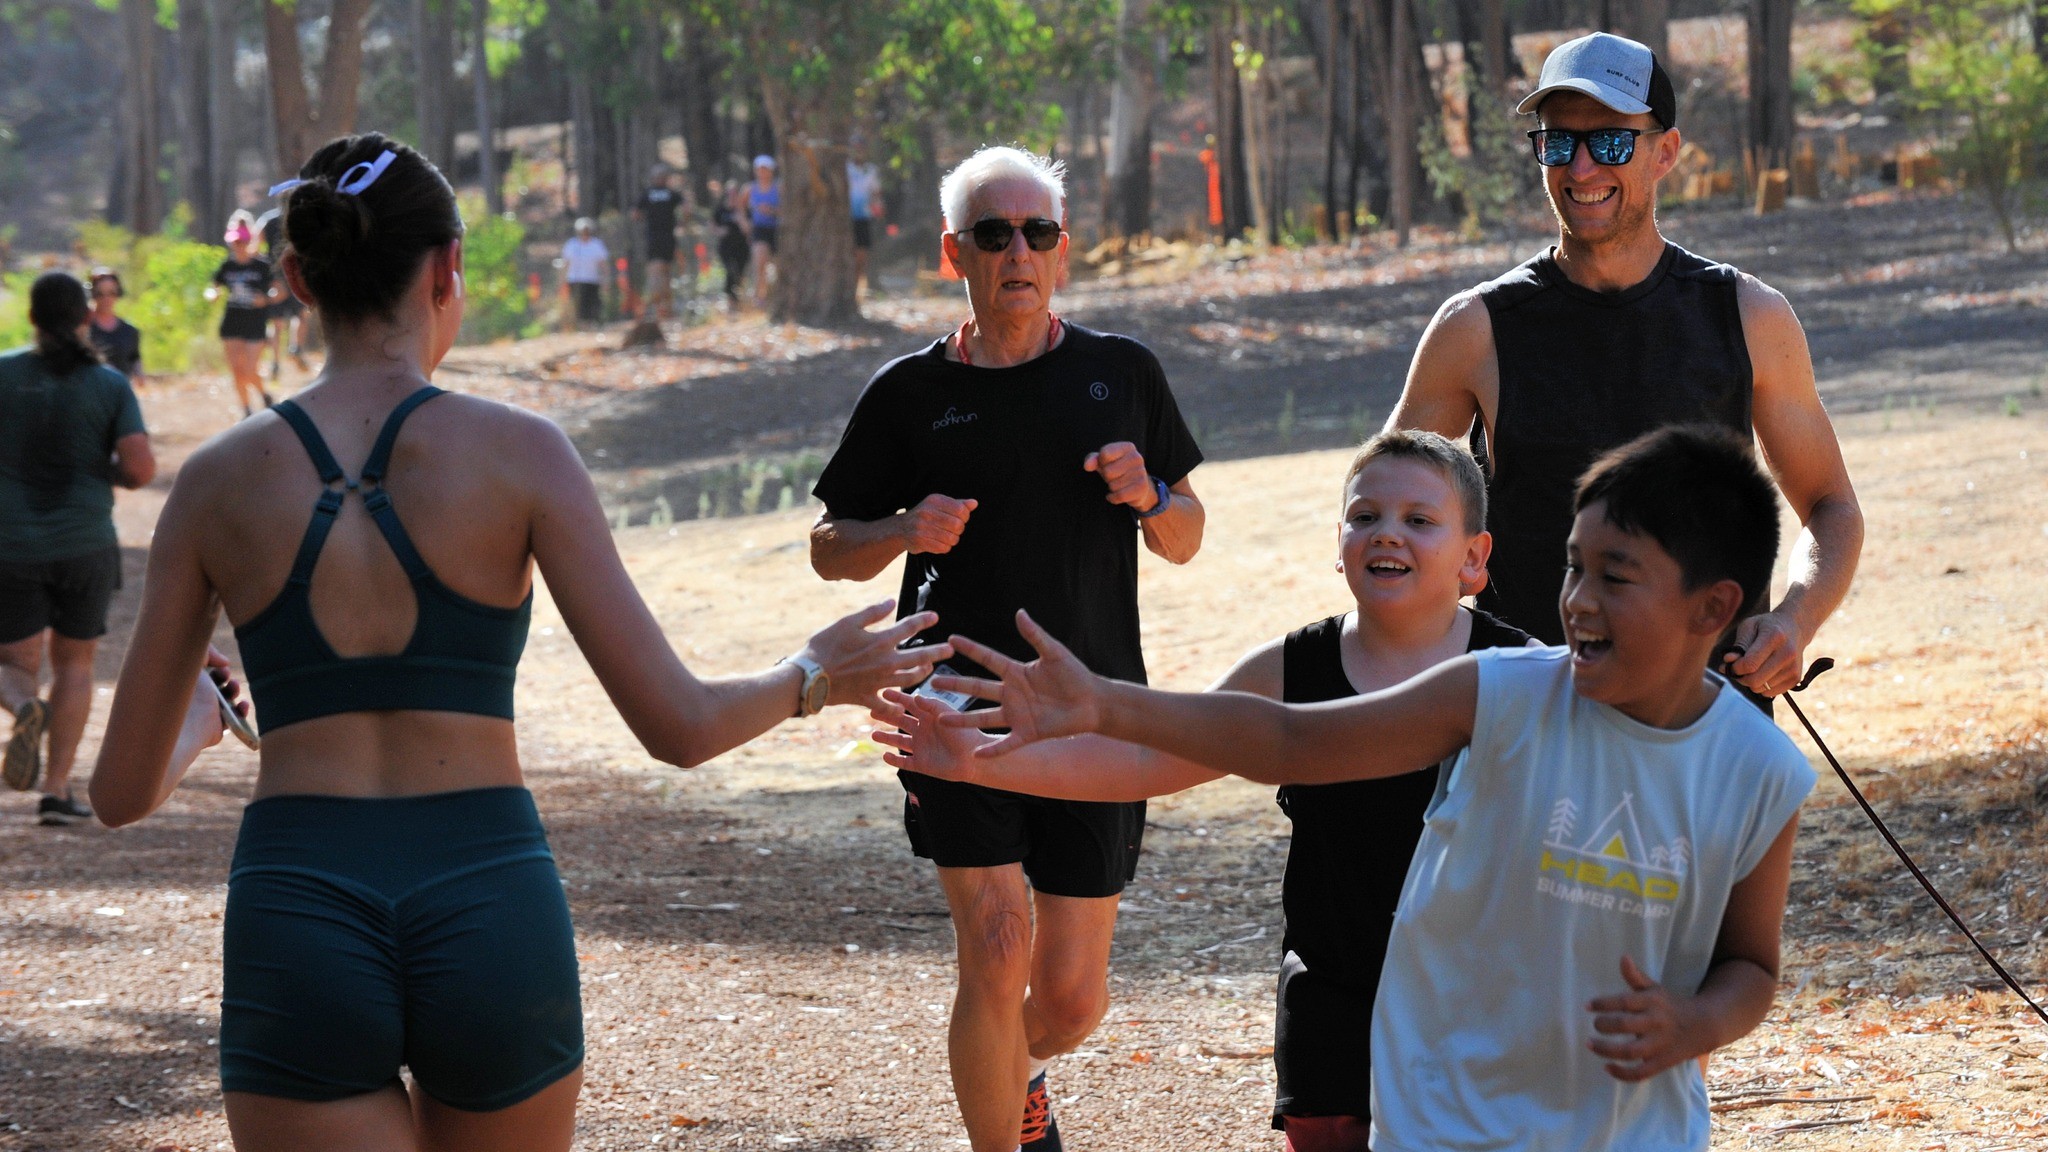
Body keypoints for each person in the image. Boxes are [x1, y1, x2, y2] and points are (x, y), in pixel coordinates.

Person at [86, 132, 949, 1152]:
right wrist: (811, 676)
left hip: (298, 907)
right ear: (448, 269)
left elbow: (117, 795)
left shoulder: (219, 480)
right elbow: (677, 726)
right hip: (487, 900)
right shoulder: (520, 455)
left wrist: (194, 724)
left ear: (293, 279)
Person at [928, 426, 1816, 1152]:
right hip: (1439, 1106)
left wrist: (1694, 1022)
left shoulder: (1760, 772)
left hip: (1631, 1131)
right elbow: (1281, 736)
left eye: (1613, 577)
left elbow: (1751, 966)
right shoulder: (1504, 691)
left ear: (1713, 608)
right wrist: (1095, 707)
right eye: (1574, 567)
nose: (1577, 599)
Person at [875, 431, 1532, 1152]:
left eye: (1420, 519)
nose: (1388, 534)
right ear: (1337, 540)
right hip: (1333, 1012)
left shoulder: (1522, 677)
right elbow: (1146, 761)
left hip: (1480, 1009)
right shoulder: (1291, 668)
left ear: (1474, 557)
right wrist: (981, 762)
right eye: (1365, 515)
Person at [809, 144, 1206, 1152]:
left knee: (1069, 1000)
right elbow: (828, 548)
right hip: (953, 711)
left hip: (1094, 712)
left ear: (1060, 251)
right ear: (955, 254)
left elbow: (1187, 533)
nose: (1017, 252)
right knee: (993, 948)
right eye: (993, 234)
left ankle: (1008, 1073)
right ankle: (999, 1133)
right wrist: (901, 529)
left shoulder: (1120, 376)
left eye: (1037, 232)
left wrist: (1149, 496)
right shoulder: (906, 394)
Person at [1388, 32, 1863, 699]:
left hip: (1709, 722)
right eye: (1559, 143)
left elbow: (1832, 505)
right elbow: (1386, 511)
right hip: (1534, 722)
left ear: (1665, 152)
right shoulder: (1475, 329)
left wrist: (1794, 620)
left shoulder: (1750, 317)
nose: (1581, 169)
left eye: (1610, 142)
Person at [0, 272, 155, 825]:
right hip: (85, 544)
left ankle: (23, 707)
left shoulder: (4, 372)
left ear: (33, 318)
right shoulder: (109, 384)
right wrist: (102, 468)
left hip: (10, 545)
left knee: (12, 661)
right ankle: (57, 792)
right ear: (86, 316)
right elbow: (140, 469)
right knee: (75, 666)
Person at [207, 210, 280, 415]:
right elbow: (214, 286)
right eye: (235, 242)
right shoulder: (227, 265)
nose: (238, 246)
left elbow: (279, 291)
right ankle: (247, 410)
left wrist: (265, 298)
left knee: (249, 369)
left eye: (242, 241)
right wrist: (212, 294)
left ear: (250, 240)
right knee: (237, 371)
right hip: (232, 322)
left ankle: (264, 395)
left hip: (255, 323)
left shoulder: (263, 265)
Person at [256, 207, 312, 378]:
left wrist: (267, 267)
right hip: (296, 273)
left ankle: (275, 362)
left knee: (277, 323)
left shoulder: (267, 218)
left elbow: (256, 242)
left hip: (276, 277)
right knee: (301, 314)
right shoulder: (299, 218)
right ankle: (296, 347)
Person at [633, 165, 683, 319]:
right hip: (668, 237)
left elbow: (635, 214)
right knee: (665, 273)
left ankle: (659, 308)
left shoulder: (647, 194)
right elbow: (686, 209)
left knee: (657, 273)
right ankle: (664, 308)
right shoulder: (672, 194)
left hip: (654, 237)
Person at [86, 267, 144, 385]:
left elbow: (135, 358)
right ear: (93, 294)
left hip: (120, 394)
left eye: (111, 293)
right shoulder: (83, 330)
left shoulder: (129, 331)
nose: (106, 299)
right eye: (100, 294)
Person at [848, 144, 884, 298]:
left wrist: (878, 206)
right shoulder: (845, 168)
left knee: (861, 257)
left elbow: (876, 194)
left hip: (863, 218)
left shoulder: (871, 170)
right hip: (846, 220)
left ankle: (855, 293)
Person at [709, 179, 752, 309]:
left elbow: (748, 229)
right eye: (730, 193)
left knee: (739, 272)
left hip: (742, 247)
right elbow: (712, 225)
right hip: (726, 248)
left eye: (735, 193)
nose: (732, 196)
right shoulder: (721, 209)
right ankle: (730, 300)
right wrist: (719, 231)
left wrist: (741, 218)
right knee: (730, 271)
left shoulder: (744, 210)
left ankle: (738, 300)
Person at [560, 217, 609, 330]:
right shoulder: (571, 244)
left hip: (592, 279)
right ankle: (581, 327)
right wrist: (562, 280)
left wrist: (605, 279)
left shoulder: (597, 245)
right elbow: (565, 263)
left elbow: (603, 264)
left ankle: (591, 325)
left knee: (592, 303)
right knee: (579, 304)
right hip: (575, 279)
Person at [745, 154, 780, 307]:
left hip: (778, 229)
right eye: (760, 169)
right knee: (760, 263)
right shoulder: (749, 189)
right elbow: (740, 208)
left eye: (766, 169)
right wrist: (744, 223)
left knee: (779, 265)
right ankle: (760, 297)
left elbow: (788, 210)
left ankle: (777, 296)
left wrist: (773, 211)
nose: (763, 172)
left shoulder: (779, 188)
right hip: (759, 229)